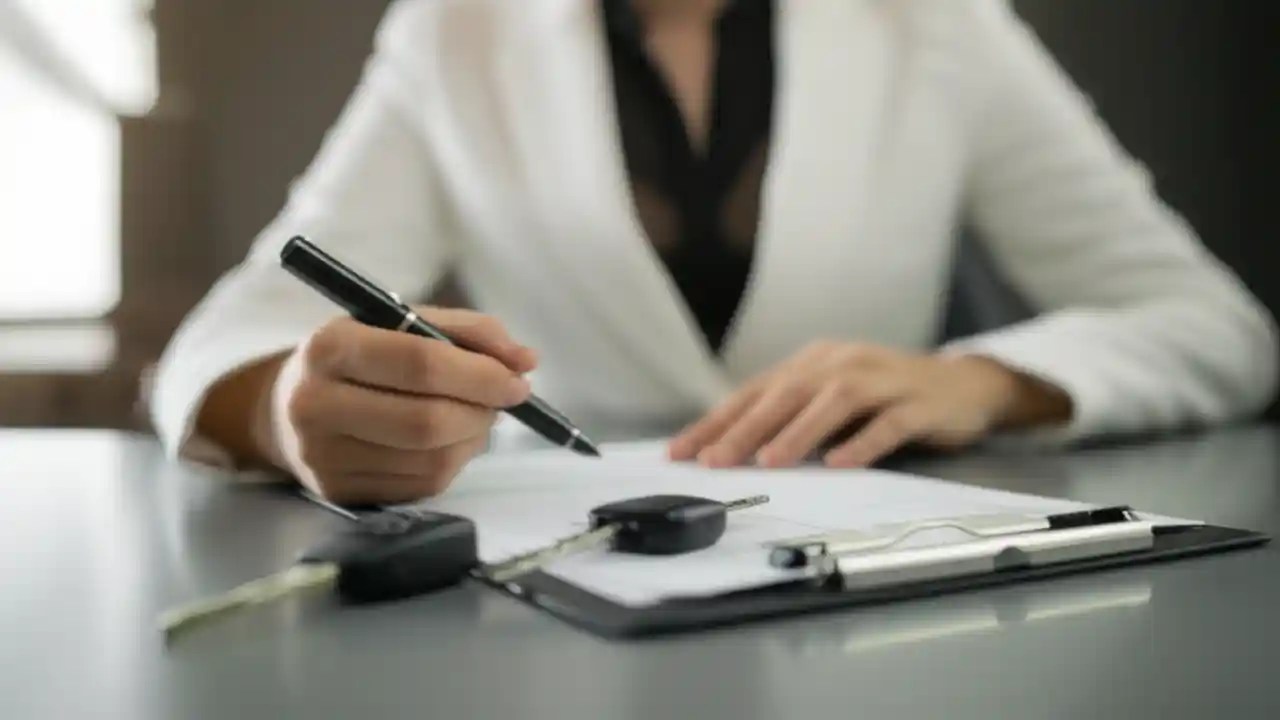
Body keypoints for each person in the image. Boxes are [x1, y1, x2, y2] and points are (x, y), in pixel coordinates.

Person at [151, 0, 1278, 505]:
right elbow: (226, 341)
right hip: (563, 603)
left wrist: (978, 380)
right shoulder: (457, 29)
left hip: (873, 599)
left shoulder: (934, 22)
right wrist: (291, 412)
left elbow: (1215, 329)